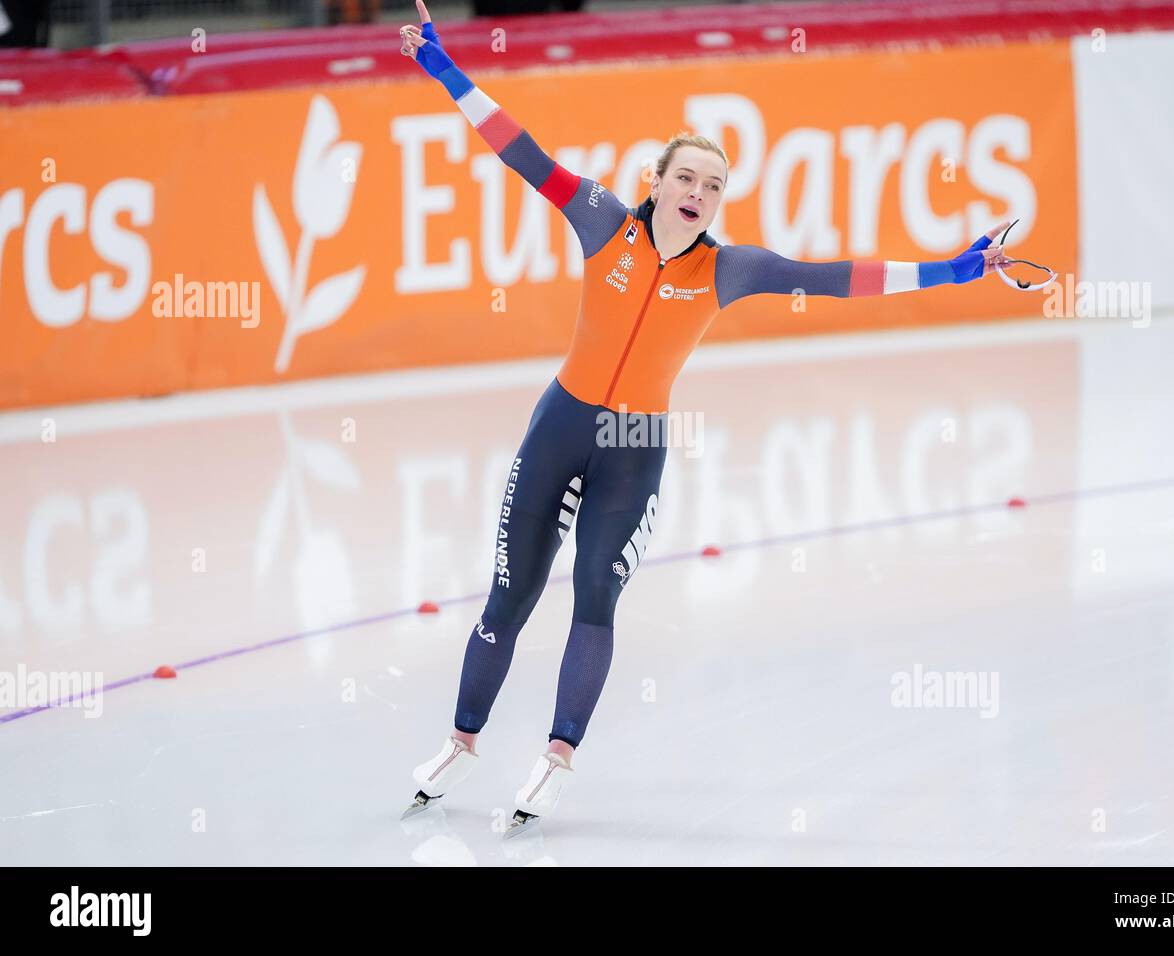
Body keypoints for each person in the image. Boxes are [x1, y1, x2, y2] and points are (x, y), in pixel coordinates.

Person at [396, 0, 1014, 834]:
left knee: (592, 602)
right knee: (510, 594)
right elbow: (519, 149)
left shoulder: (732, 269)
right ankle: (462, 742)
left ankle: (556, 756)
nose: (699, 193)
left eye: (714, 186)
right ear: (656, 183)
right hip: (561, 423)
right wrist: (442, 68)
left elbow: (838, 277)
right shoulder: (601, 219)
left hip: (633, 447)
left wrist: (954, 270)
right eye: (686, 178)